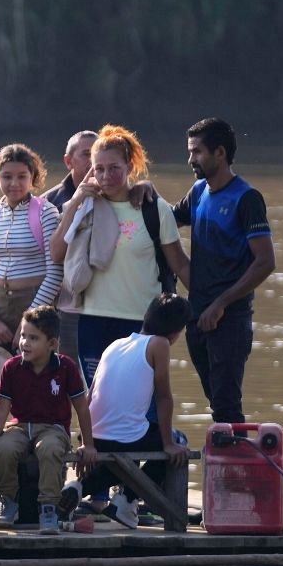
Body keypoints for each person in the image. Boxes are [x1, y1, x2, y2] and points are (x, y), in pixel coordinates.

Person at [50, 125, 190, 386]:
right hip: (92, 320)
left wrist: (208, 305)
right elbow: (57, 253)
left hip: (142, 322)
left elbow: (179, 264)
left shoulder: (153, 208)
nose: (106, 176)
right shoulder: (85, 206)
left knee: (141, 402)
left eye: (114, 168)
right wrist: (77, 200)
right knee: (99, 400)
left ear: (129, 166)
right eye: (99, 169)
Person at [173, 118, 274, 425]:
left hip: (229, 319)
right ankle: (229, 467)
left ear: (219, 153)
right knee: (217, 403)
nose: (191, 160)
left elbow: (265, 262)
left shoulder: (246, 198)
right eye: (190, 152)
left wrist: (221, 304)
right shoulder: (198, 191)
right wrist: (141, 193)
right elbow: (167, 219)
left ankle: (237, 469)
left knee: (228, 406)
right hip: (198, 316)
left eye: (197, 152)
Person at [78, 293, 194, 528]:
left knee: (125, 448)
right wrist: (169, 444)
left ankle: (76, 488)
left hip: (96, 435)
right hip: (124, 438)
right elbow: (164, 398)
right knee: (178, 441)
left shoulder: (116, 344)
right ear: (175, 330)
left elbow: (90, 397)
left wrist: (86, 439)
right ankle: (126, 500)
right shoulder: (159, 344)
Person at [0, 306, 97, 533]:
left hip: (52, 428)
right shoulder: (12, 367)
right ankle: (8, 499)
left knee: (50, 449)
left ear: (52, 344)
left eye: (33, 338)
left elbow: (82, 408)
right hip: (19, 426)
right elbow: (1, 409)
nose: (25, 342)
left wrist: (89, 444)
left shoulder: (66, 367)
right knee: (3, 449)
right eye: (24, 336)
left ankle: (49, 507)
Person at [0, 144, 63, 353]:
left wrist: (28, 320)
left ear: (33, 177)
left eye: (22, 176)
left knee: (33, 376)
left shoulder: (45, 212)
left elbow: (55, 273)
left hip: (35, 304)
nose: (14, 183)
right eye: (7, 176)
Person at [44, 130, 100, 361]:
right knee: (70, 381)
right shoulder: (48, 203)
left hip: (110, 302)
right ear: (69, 161)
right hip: (67, 307)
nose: (93, 161)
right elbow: (51, 256)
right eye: (87, 154)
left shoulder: (120, 195)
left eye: (97, 153)